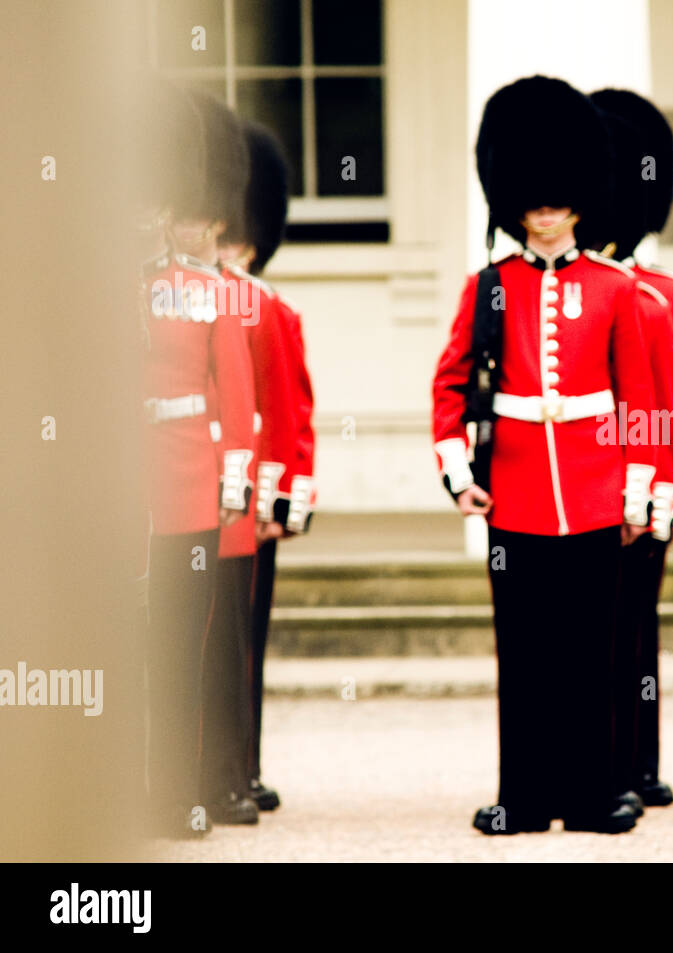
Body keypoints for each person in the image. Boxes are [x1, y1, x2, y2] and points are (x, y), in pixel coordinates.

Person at [432, 76, 658, 835]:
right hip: (518, 496)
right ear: (514, 202)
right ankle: (526, 795)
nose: (546, 211)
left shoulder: (614, 289)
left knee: (592, 657)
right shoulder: (489, 287)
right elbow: (451, 380)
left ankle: (593, 794)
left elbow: (639, 400)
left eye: (557, 197)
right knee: (525, 660)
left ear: (580, 201)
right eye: (533, 198)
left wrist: (636, 493)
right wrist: (460, 474)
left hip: (594, 496)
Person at [142, 89, 256, 838]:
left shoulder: (209, 295)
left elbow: (238, 395)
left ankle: (178, 791)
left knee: (182, 651)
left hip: (186, 484)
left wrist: (237, 480)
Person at [590, 88, 673, 807]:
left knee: (635, 628)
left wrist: (672, 485)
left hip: (641, 484)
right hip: (583, 481)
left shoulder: (660, 295)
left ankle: (636, 758)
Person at [210, 118, 314, 819]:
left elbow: (284, 410)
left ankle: (239, 765)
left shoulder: (266, 310)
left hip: (245, 498)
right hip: (187, 482)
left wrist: (277, 502)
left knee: (242, 642)